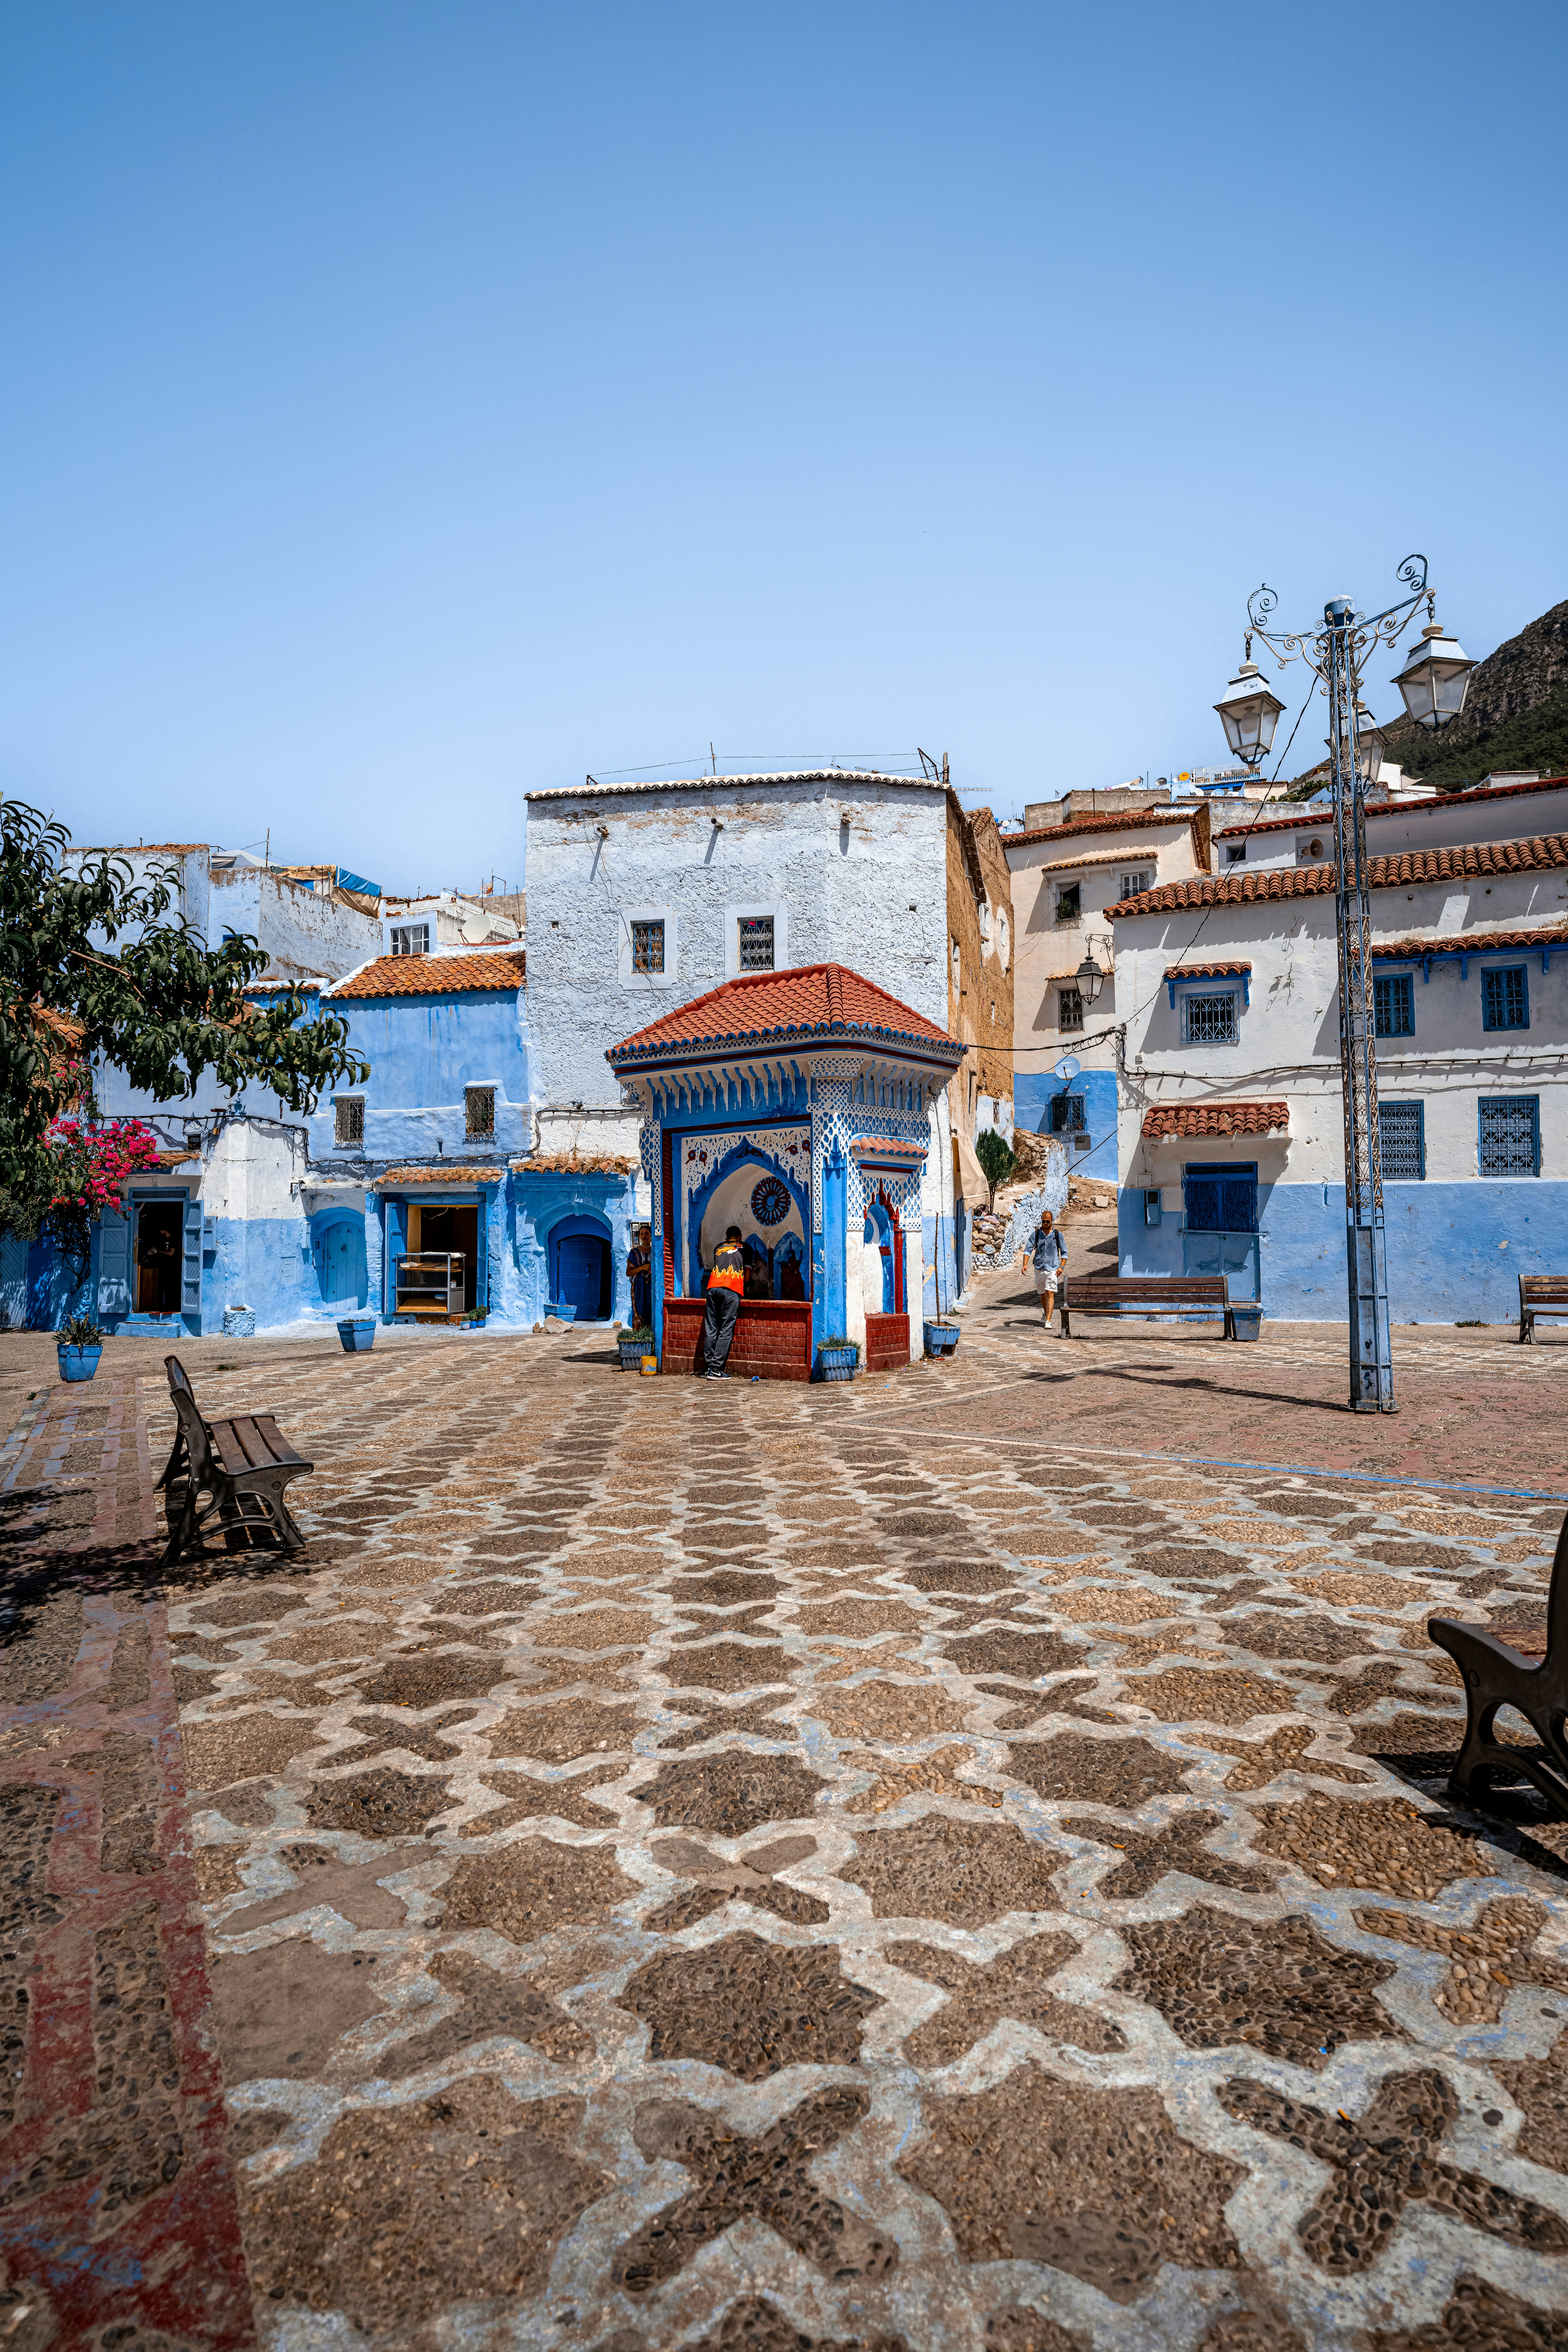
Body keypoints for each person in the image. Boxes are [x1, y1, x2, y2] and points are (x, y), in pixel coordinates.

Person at [702, 1223, 746, 1378]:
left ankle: (708, 1368)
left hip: (712, 1288)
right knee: (726, 1329)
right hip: (731, 1289)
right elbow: (747, 1276)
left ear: (726, 1239)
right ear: (740, 1237)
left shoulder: (718, 1248)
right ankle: (716, 1369)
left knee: (711, 1328)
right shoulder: (745, 1247)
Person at [1017, 1208, 1066, 1332]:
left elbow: (1065, 1253)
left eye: (1048, 1222)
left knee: (1050, 1293)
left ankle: (1049, 1320)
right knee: (1042, 1293)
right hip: (1039, 1268)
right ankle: (1046, 1313)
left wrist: (1062, 1267)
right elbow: (1028, 1250)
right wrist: (1025, 1264)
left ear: (1052, 1221)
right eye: (1044, 1222)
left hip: (1053, 1268)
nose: (1046, 1224)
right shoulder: (1036, 1234)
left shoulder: (1057, 1235)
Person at [626, 1224, 652, 1329]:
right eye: (642, 1234)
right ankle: (637, 1338)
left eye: (647, 1234)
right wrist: (642, 1268)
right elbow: (628, 1273)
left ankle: (651, 1336)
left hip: (652, 1287)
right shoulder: (634, 1252)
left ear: (651, 1236)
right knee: (639, 1309)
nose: (644, 1236)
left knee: (651, 1308)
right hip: (639, 1287)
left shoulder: (656, 1251)